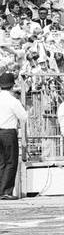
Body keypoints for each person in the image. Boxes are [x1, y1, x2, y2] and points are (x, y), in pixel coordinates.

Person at [0, 72, 26, 200]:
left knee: (1, 162)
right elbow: (24, 117)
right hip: (8, 132)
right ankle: (6, 191)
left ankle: (1, 190)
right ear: (11, 86)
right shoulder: (13, 100)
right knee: (11, 162)